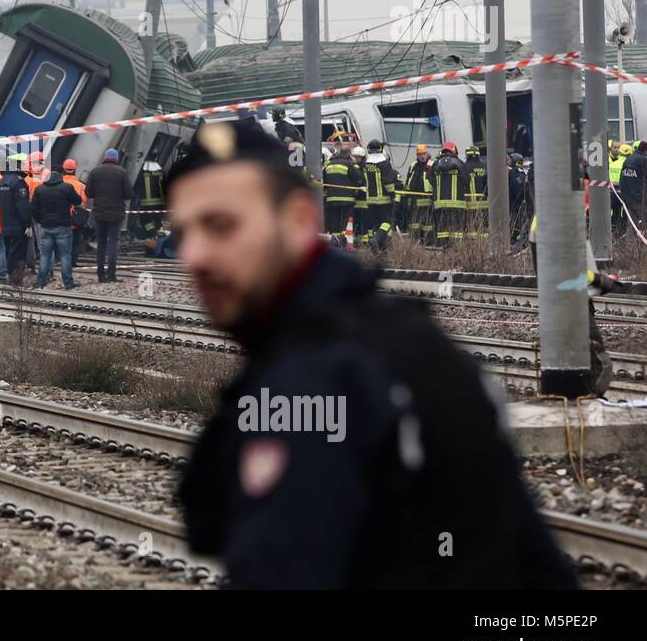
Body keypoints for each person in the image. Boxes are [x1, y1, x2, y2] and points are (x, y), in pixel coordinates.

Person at [167, 118, 575, 588]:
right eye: (183, 233)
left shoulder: (314, 379)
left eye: (222, 225)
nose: (195, 256)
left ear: (299, 220)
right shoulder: (408, 339)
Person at [30, 163, 78, 290]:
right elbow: (77, 201)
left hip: (46, 226)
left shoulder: (39, 189)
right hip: (63, 226)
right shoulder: (67, 187)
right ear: (61, 176)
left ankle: (41, 282)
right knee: (65, 255)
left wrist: (41, 220)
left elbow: (33, 209)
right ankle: (68, 283)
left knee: (45, 255)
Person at [85, 148, 130, 282]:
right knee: (113, 242)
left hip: (100, 214)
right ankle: (111, 273)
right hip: (116, 214)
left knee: (102, 243)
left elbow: (88, 193)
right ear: (116, 159)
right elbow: (128, 194)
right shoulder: (122, 173)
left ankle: (100, 274)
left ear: (105, 157)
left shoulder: (95, 172)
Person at [360, 139, 400, 251]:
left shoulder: (365, 163)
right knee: (387, 222)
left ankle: (380, 248)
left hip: (370, 200)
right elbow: (388, 182)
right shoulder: (384, 163)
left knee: (376, 224)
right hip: (384, 200)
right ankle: (376, 240)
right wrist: (392, 196)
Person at [0, 155, 32, 286]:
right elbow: (22, 206)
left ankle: (11, 276)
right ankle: (16, 280)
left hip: (5, 224)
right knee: (18, 254)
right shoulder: (18, 183)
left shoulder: (2, 182)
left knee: (9, 252)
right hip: (18, 225)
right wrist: (28, 224)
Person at [321, 145, 363, 246]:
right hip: (347, 199)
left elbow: (324, 180)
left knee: (334, 221)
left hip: (331, 199)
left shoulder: (329, 164)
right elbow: (358, 178)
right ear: (349, 154)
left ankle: (335, 243)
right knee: (346, 222)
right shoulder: (348, 164)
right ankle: (345, 242)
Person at [431, 142, 468, 248]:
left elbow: (430, 179)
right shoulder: (460, 163)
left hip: (439, 204)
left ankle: (443, 250)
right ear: (454, 151)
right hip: (457, 204)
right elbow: (467, 180)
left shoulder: (436, 163)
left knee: (442, 229)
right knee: (456, 230)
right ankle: (456, 250)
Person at [401, 144, 434, 244]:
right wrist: (406, 196)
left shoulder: (432, 164)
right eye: (419, 154)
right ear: (417, 154)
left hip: (427, 199)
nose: (422, 156)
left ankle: (428, 241)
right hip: (414, 199)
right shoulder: (413, 165)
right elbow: (408, 181)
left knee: (427, 223)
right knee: (414, 223)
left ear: (426, 153)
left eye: (423, 153)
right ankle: (415, 242)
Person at [61, 158, 89, 267]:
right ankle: (72, 262)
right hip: (76, 219)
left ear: (63, 169)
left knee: (61, 240)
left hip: (61, 217)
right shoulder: (82, 186)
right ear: (75, 170)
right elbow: (83, 201)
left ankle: (61, 260)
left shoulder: (58, 183)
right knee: (75, 241)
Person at [132, 159, 167, 240]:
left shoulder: (142, 173)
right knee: (158, 221)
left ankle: (152, 233)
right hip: (160, 203)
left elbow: (137, 187)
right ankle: (160, 236)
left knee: (145, 220)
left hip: (146, 204)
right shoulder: (161, 172)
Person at [620, 140, 647, 233]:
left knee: (631, 223)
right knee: (641, 223)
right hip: (639, 198)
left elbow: (622, 179)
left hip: (627, 196)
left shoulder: (628, 159)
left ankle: (631, 245)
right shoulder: (643, 160)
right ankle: (639, 245)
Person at [463, 145, 488, 240]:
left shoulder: (465, 166)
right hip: (484, 202)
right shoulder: (485, 165)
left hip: (470, 202)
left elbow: (463, 182)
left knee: (471, 224)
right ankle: (484, 242)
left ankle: (472, 242)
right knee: (484, 223)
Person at [610, 142, 631, 237]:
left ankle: (613, 234)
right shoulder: (627, 165)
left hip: (612, 193)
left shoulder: (612, 165)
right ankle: (621, 235)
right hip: (623, 194)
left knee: (614, 214)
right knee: (623, 216)